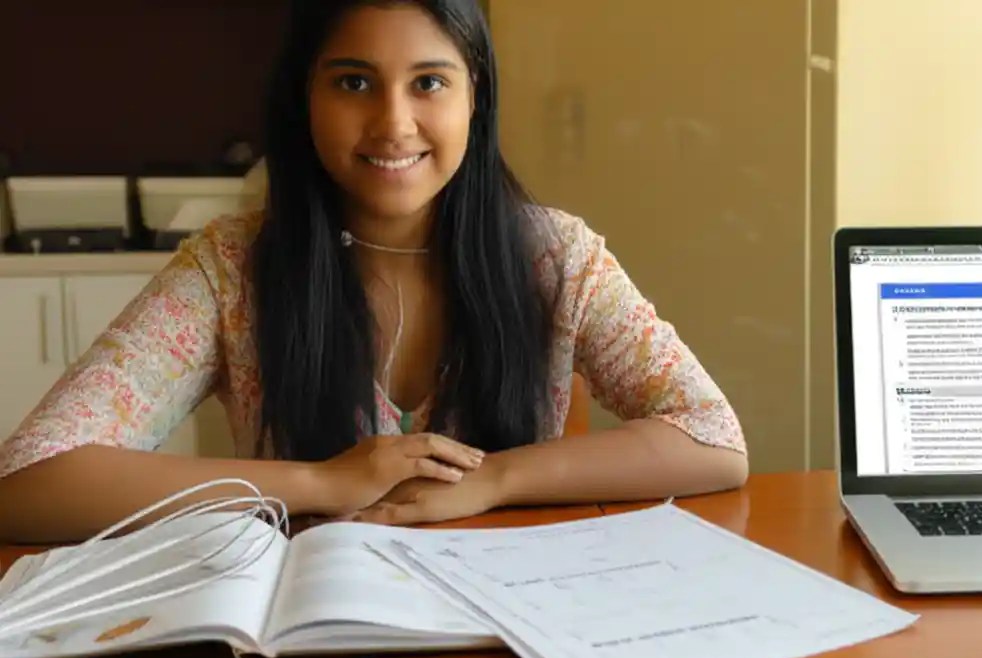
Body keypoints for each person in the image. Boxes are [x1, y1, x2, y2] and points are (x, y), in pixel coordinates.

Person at [0, 0, 747, 543]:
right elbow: (28, 483)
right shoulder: (230, 267)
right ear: (306, 99)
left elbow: (714, 440)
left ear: (475, 95)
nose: (393, 123)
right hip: (306, 645)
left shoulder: (556, 257)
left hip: (519, 630)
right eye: (354, 82)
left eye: (429, 82)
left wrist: (498, 480)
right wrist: (323, 484)